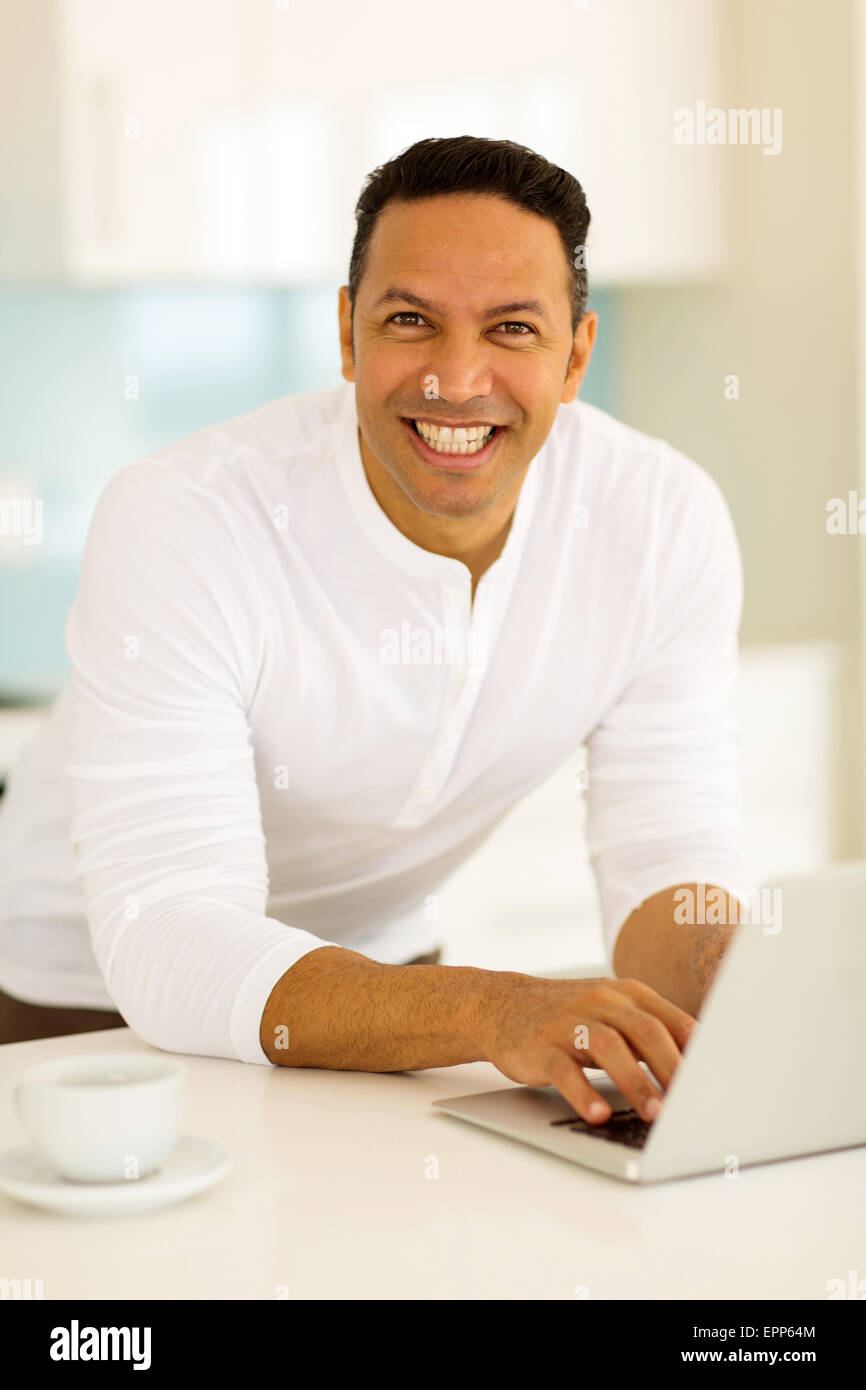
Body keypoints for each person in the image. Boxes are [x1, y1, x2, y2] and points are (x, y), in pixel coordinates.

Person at [0, 136, 746, 1128]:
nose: (455, 377)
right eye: (410, 320)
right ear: (348, 333)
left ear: (575, 356)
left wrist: (743, 990)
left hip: (378, 990)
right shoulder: (184, 516)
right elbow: (170, 934)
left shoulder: (658, 520)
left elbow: (669, 849)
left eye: (512, 328)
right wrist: (494, 1007)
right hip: (77, 1002)